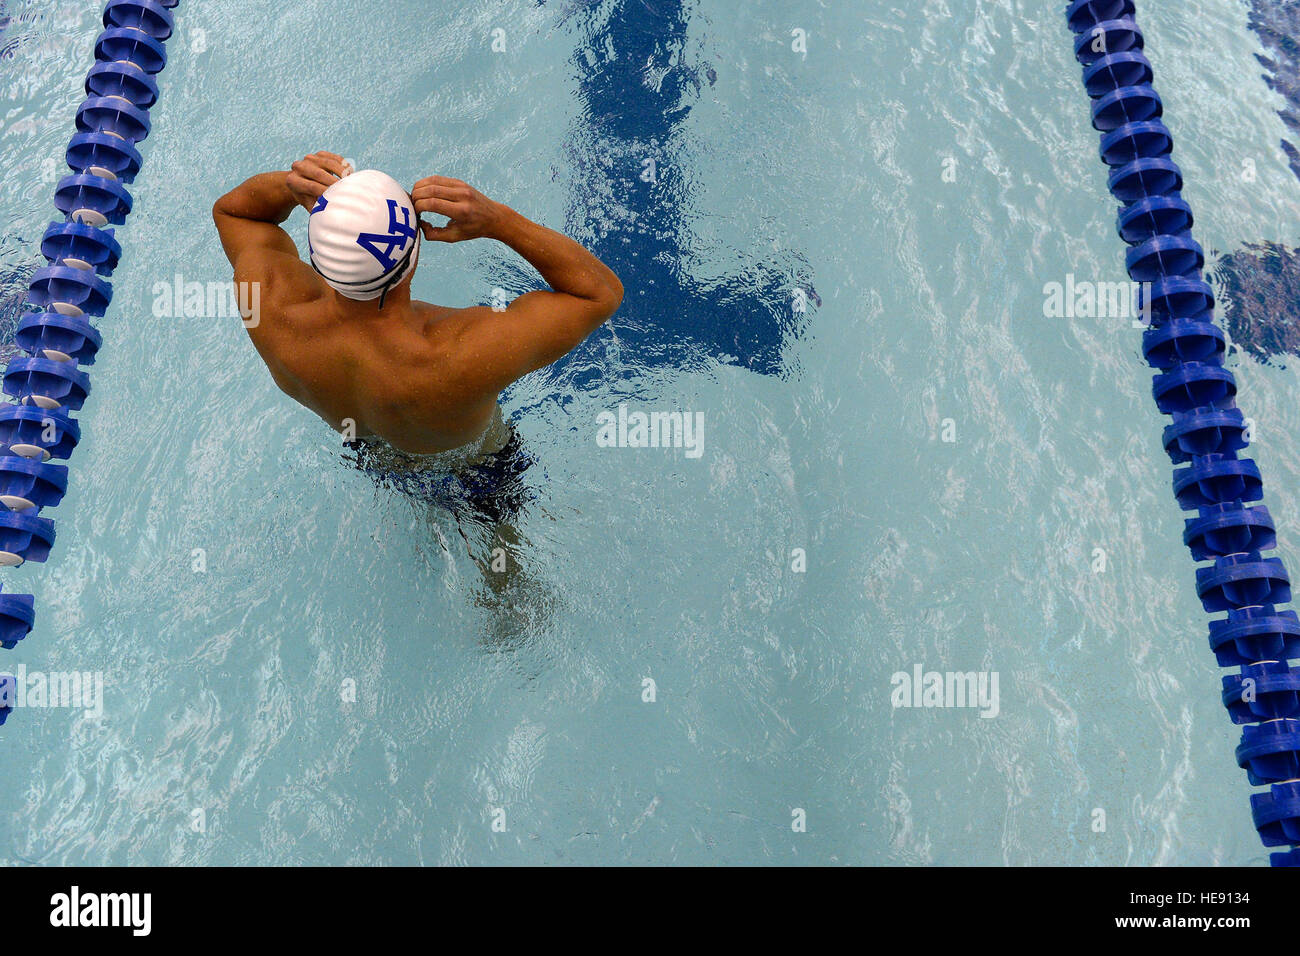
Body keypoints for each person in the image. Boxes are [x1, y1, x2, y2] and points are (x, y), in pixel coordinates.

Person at [212, 151, 624, 522]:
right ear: (413, 257)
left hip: (370, 455)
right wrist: (500, 221)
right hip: (476, 467)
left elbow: (234, 213)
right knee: (499, 543)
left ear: (317, 255)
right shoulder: (461, 354)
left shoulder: (272, 307)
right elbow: (599, 293)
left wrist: (289, 184)